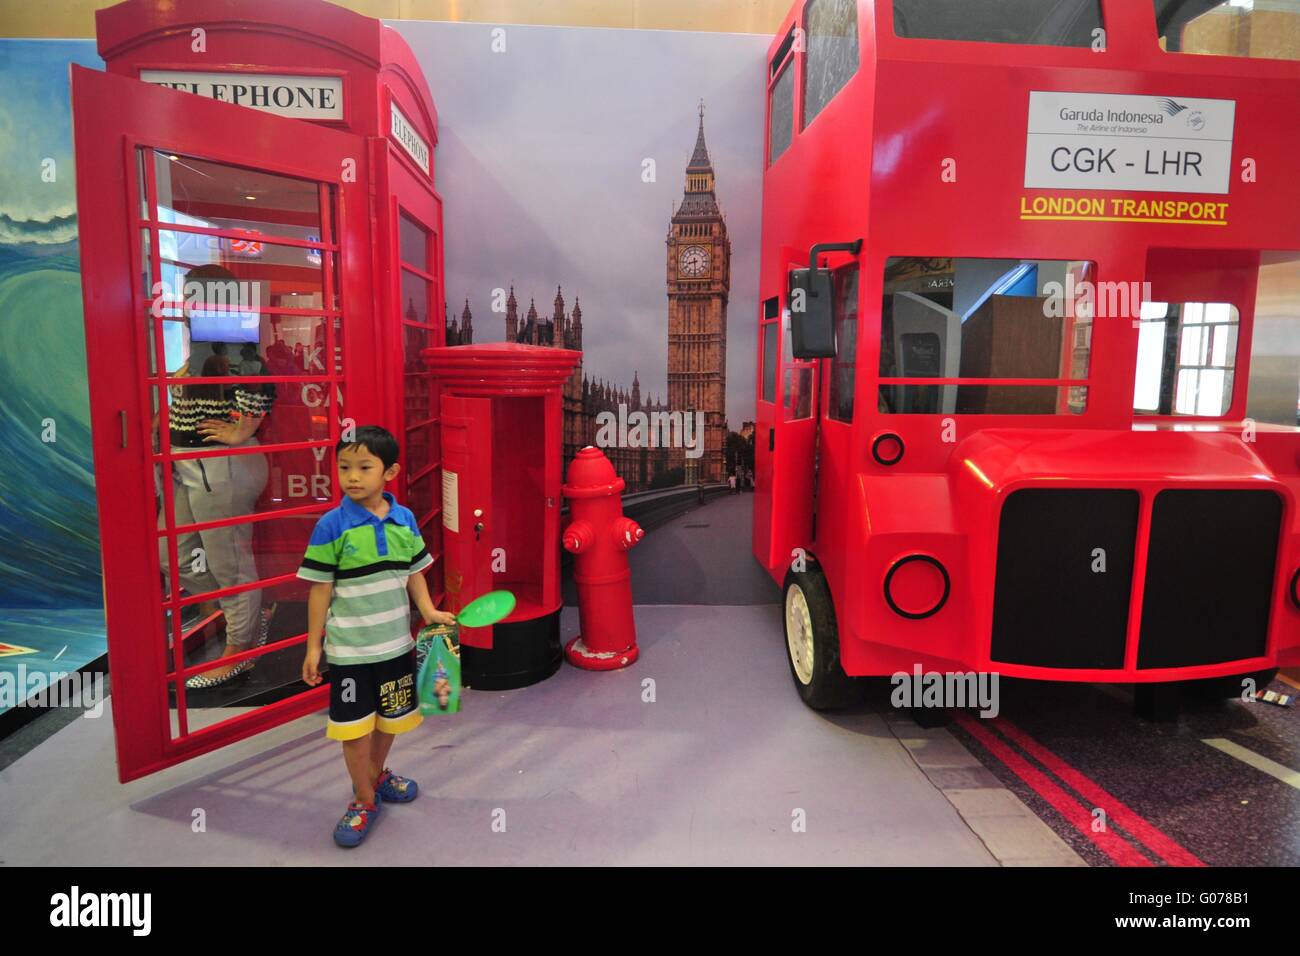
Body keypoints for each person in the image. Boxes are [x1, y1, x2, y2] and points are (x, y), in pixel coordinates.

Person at [296, 425, 457, 848]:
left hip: (395, 645)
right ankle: (364, 797)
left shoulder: (404, 520)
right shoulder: (331, 526)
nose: (352, 477)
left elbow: (413, 573)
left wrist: (428, 611)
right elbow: (320, 588)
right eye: (344, 467)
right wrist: (314, 646)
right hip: (350, 650)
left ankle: (376, 773)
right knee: (351, 729)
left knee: (391, 720)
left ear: (390, 472)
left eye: (364, 467)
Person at [158, 266, 273, 688]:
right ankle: (248, 611)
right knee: (172, 553)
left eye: (195, 294)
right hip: (188, 466)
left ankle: (240, 649)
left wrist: (242, 430)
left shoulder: (235, 343)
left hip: (218, 465)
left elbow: (261, 383)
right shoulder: (203, 346)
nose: (188, 303)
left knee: (230, 563)